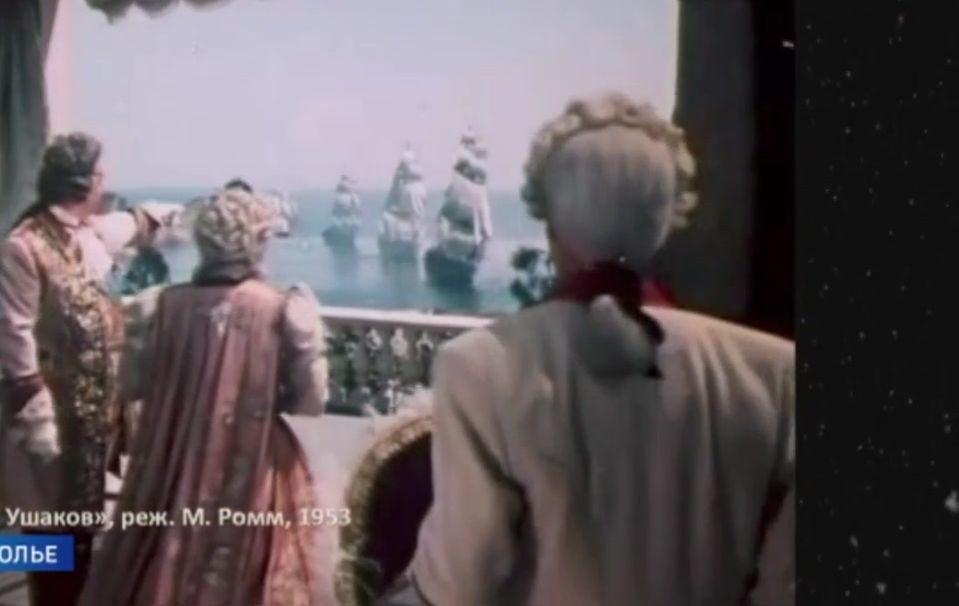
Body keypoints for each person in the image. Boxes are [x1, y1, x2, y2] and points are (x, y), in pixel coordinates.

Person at [406, 93, 795, 606]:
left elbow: (457, 583)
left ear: (552, 228)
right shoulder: (779, 373)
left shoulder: (478, 365)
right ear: (665, 222)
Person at [78, 187, 332, 606]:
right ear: (258, 242)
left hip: (170, 458)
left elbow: (132, 385)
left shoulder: (161, 306)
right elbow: (311, 402)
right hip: (252, 461)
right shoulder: (282, 309)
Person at [0, 133, 180, 606]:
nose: (105, 180)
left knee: (79, 534)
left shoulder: (89, 233)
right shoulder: (24, 246)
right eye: (99, 174)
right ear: (83, 182)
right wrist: (36, 420)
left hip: (94, 418)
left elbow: (130, 223)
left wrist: (158, 215)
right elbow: (13, 332)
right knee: (49, 537)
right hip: (53, 420)